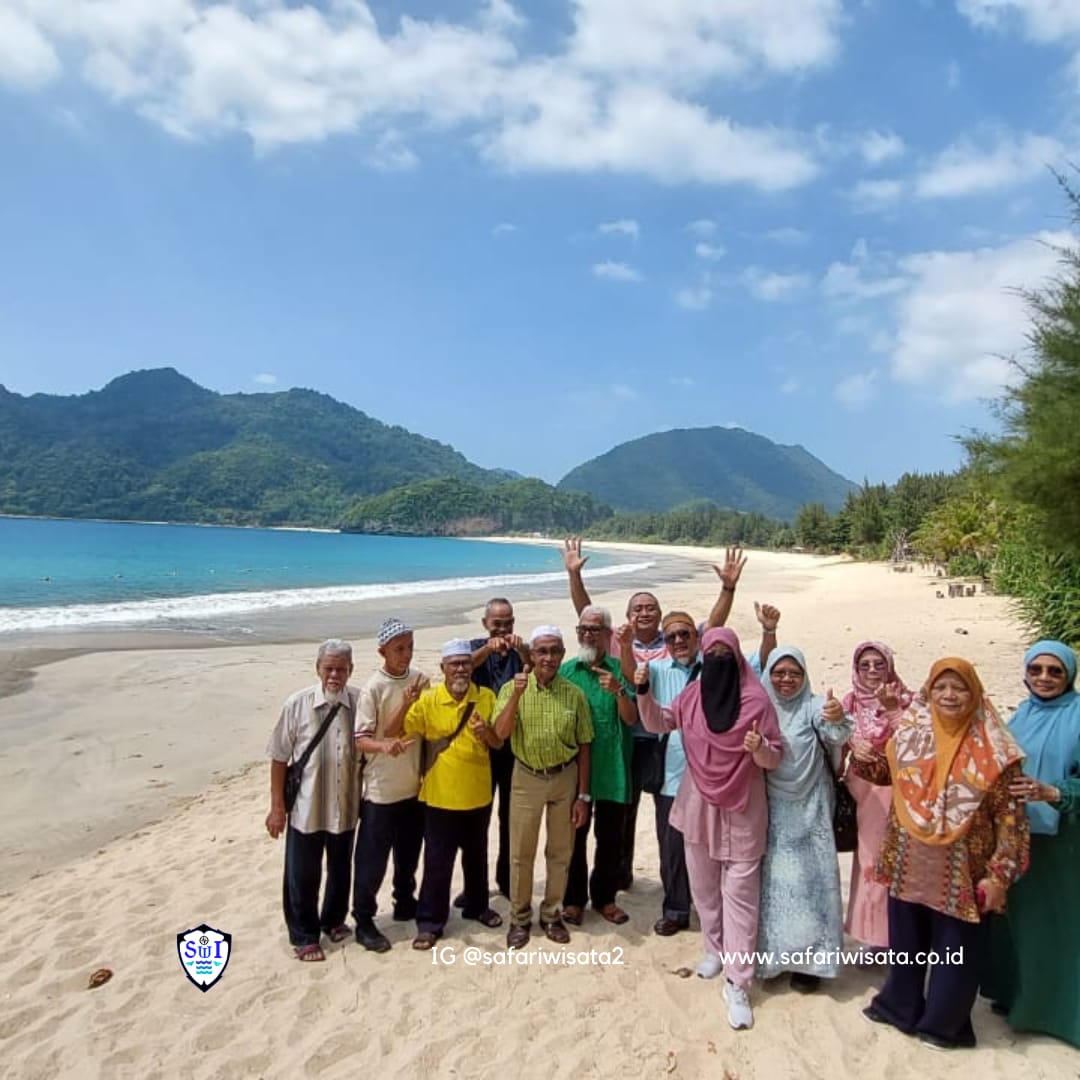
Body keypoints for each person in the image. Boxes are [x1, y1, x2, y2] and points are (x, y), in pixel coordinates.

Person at [850, 657, 1030, 1050]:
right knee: (907, 943)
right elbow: (887, 775)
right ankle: (899, 1007)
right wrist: (862, 755)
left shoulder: (998, 752)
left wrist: (999, 874)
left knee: (958, 951)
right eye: (940, 688)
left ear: (974, 693)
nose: (949, 695)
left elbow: (1011, 820)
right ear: (928, 692)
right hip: (909, 859)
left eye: (958, 688)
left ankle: (943, 1025)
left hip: (963, 868)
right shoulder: (913, 735)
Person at [562, 536, 749, 893]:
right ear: (629, 617)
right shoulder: (620, 640)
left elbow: (713, 626)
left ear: (660, 616)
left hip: (670, 741)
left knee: (672, 811)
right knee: (624, 809)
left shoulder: (677, 640)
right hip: (631, 738)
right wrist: (574, 577)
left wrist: (727, 587)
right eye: (638, 608)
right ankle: (620, 874)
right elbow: (587, 617)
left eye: (650, 607)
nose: (644, 612)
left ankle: (679, 884)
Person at [635, 627, 782, 1031]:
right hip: (697, 807)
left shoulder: (756, 702)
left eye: (724, 651)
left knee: (741, 898)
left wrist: (759, 750)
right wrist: (643, 691)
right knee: (704, 889)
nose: (717, 656)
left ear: (736, 657)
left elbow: (775, 757)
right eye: (711, 650)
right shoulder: (692, 696)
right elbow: (660, 722)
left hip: (743, 810)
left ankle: (738, 981)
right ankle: (714, 949)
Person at [982, 640, 1080, 1048]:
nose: (1043, 677)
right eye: (1036, 669)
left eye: (1054, 671)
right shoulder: (1021, 714)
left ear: (1069, 675)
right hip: (1017, 837)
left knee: (1059, 926)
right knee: (1015, 923)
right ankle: (1015, 997)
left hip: (1063, 843)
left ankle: (1060, 1015)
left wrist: (1053, 792)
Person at [388, 639, 504, 950]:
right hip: (439, 797)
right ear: (443, 669)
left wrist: (487, 733)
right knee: (438, 863)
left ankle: (477, 906)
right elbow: (396, 732)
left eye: (466, 663)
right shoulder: (428, 700)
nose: (461, 669)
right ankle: (429, 922)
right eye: (454, 664)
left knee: (477, 858)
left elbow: (498, 743)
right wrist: (406, 701)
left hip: (478, 793)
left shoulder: (487, 697)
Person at [756, 647, 852, 992]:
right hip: (774, 810)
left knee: (812, 884)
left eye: (793, 673)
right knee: (777, 885)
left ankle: (811, 963)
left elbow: (836, 734)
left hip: (812, 807)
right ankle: (775, 958)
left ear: (804, 676)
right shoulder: (760, 708)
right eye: (779, 673)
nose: (786, 680)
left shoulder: (814, 706)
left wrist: (837, 715)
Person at [494, 626, 593, 948]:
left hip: (564, 778)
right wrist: (518, 695)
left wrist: (583, 795)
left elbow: (584, 746)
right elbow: (500, 734)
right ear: (532, 655)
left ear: (563, 655)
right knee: (521, 853)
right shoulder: (513, 688)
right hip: (526, 777)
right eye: (542, 651)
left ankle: (551, 914)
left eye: (554, 651)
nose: (548, 657)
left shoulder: (574, 694)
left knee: (560, 851)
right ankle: (519, 918)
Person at [265, 639, 360, 962]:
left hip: (345, 807)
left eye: (341, 669)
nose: (335, 675)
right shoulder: (298, 704)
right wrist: (277, 808)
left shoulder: (359, 702)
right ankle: (304, 935)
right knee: (302, 874)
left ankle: (333, 920)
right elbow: (279, 757)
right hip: (306, 808)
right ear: (318, 669)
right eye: (329, 668)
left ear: (351, 670)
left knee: (339, 870)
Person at [351, 618, 428, 952]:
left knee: (408, 855)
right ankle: (364, 920)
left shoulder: (419, 680)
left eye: (409, 647)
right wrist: (384, 746)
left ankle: (404, 903)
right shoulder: (374, 688)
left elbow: (423, 729)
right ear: (382, 651)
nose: (406, 654)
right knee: (372, 861)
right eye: (399, 649)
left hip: (413, 787)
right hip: (381, 791)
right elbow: (364, 739)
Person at [558, 606, 636, 927]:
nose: (588, 635)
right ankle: (573, 900)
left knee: (610, 839)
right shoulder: (565, 672)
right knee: (574, 838)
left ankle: (604, 898)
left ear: (607, 634)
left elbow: (632, 718)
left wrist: (618, 691)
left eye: (595, 629)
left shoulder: (621, 670)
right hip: (575, 772)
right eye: (583, 629)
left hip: (612, 770)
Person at [842, 642, 913, 952]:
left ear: (890, 667)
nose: (871, 670)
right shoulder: (849, 703)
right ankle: (874, 939)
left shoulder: (908, 701)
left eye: (878, 664)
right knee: (869, 863)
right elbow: (836, 745)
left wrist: (893, 710)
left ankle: (894, 937)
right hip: (862, 794)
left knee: (896, 864)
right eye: (865, 665)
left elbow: (918, 744)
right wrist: (849, 741)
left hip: (898, 793)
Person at [469, 598, 530, 901]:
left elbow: (539, 665)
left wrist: (522, 649)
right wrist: (488, 647)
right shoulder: (475, 646)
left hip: (512, 746)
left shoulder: (521, 651)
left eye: (508, 623)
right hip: (479, 746)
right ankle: (474, 889)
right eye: (497, 624)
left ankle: (506, 881)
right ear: (485, 624)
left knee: (510, 818)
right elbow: (464, 666)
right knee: (477, 821)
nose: (503, 629)